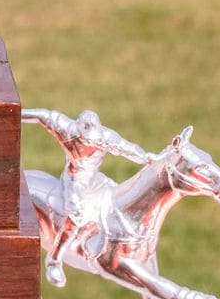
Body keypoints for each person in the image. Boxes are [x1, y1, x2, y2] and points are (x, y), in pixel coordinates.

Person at [23, 107, 152, 285]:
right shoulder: (66, 128)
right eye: (86, 139)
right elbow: (42, 116)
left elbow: (128, 149)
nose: (91, 142)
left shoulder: (104, 137)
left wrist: (148, 158)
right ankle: (54, 259)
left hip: (95, 179)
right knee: (75, 215)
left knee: (118, 198)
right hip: (74, 179)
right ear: (78, 129)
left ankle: (110, 239)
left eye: (93, 139)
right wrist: (16, 114)